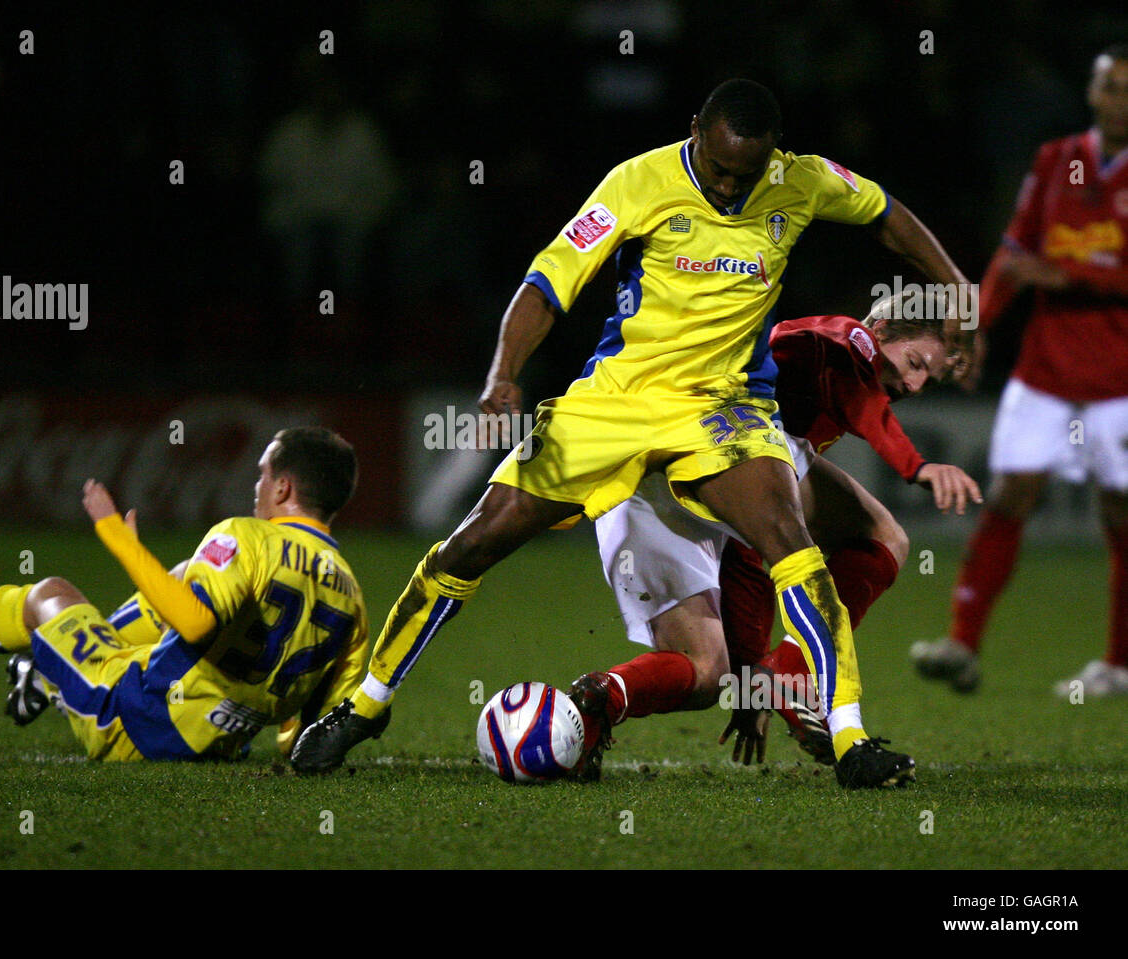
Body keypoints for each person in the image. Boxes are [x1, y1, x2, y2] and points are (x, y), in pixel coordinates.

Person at [293, 79, 973, 788]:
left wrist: (955, 287)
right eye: (717, 169)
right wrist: (502, 377)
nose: (730, 186)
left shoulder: (800, 181)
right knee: (479, 535)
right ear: (694, 132)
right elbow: (546, 284)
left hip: (724, 407)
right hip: (615, 402)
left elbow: (887, 215)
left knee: (789, 540)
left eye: (746, 174)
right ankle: (365, 704)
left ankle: (850, 735)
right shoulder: (637, 181)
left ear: (771, 156)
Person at [577, 300, 980, 782]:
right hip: (710, 444)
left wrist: (753, 677)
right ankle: (807, 687)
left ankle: (599, 698)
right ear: (882, 328)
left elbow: (752, 553)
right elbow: (860, 394)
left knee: (705, 673)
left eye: (929, 381)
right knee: (884, 537)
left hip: (647, 492)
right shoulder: (842, 338)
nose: (913, 386)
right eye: (914, 363)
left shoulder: (800, 413)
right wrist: (916, 465)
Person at [0, 427, 376, 761]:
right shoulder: (351, 593)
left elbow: (195, 623)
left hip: (135, 722)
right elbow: (314, 729)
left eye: (262, 475)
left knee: (49, 593)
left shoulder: (248, 536)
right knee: (181, 575)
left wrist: (117, 536)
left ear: (283, 487)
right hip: (221, 743)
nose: (255, 486)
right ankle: (42, 673)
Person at [911, 45, 1128, 696]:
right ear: (1092, 93)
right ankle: (962, 642)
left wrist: (1071, 274)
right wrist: (976, 328)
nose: (1120, 98)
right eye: (1111, 86)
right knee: (1008, 495)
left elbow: (1045, 264)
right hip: (1044, 370)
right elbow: (1012, 254)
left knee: (1119, 513)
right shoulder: (1057, 160)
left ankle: (1117, 665)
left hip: (1119, 378)